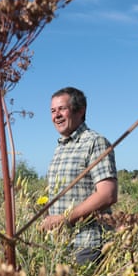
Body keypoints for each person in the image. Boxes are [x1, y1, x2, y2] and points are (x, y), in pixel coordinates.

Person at [41, 86, 118, 264]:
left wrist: (64, 219)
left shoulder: (95, 142)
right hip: (60, 244)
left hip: (88, 244)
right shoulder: (60, 147)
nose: (56, 115)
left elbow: (107, 194)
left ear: (80, 110)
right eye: (53, 111)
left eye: (62, 109)